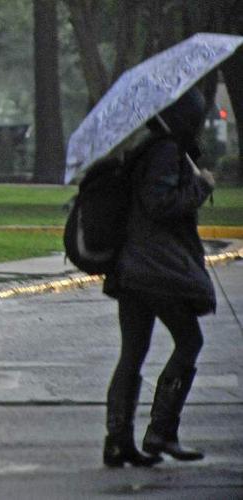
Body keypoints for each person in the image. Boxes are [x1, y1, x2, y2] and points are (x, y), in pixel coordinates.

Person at [102, 87, 215, 467]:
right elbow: (160, 204)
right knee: (190, 340)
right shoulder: (166, 152)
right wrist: (201, 186)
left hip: (133, 267)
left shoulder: (151, 149)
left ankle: (118, 441)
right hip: (156, 268)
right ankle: (162, 432)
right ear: (186, 119)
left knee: (132, 353)